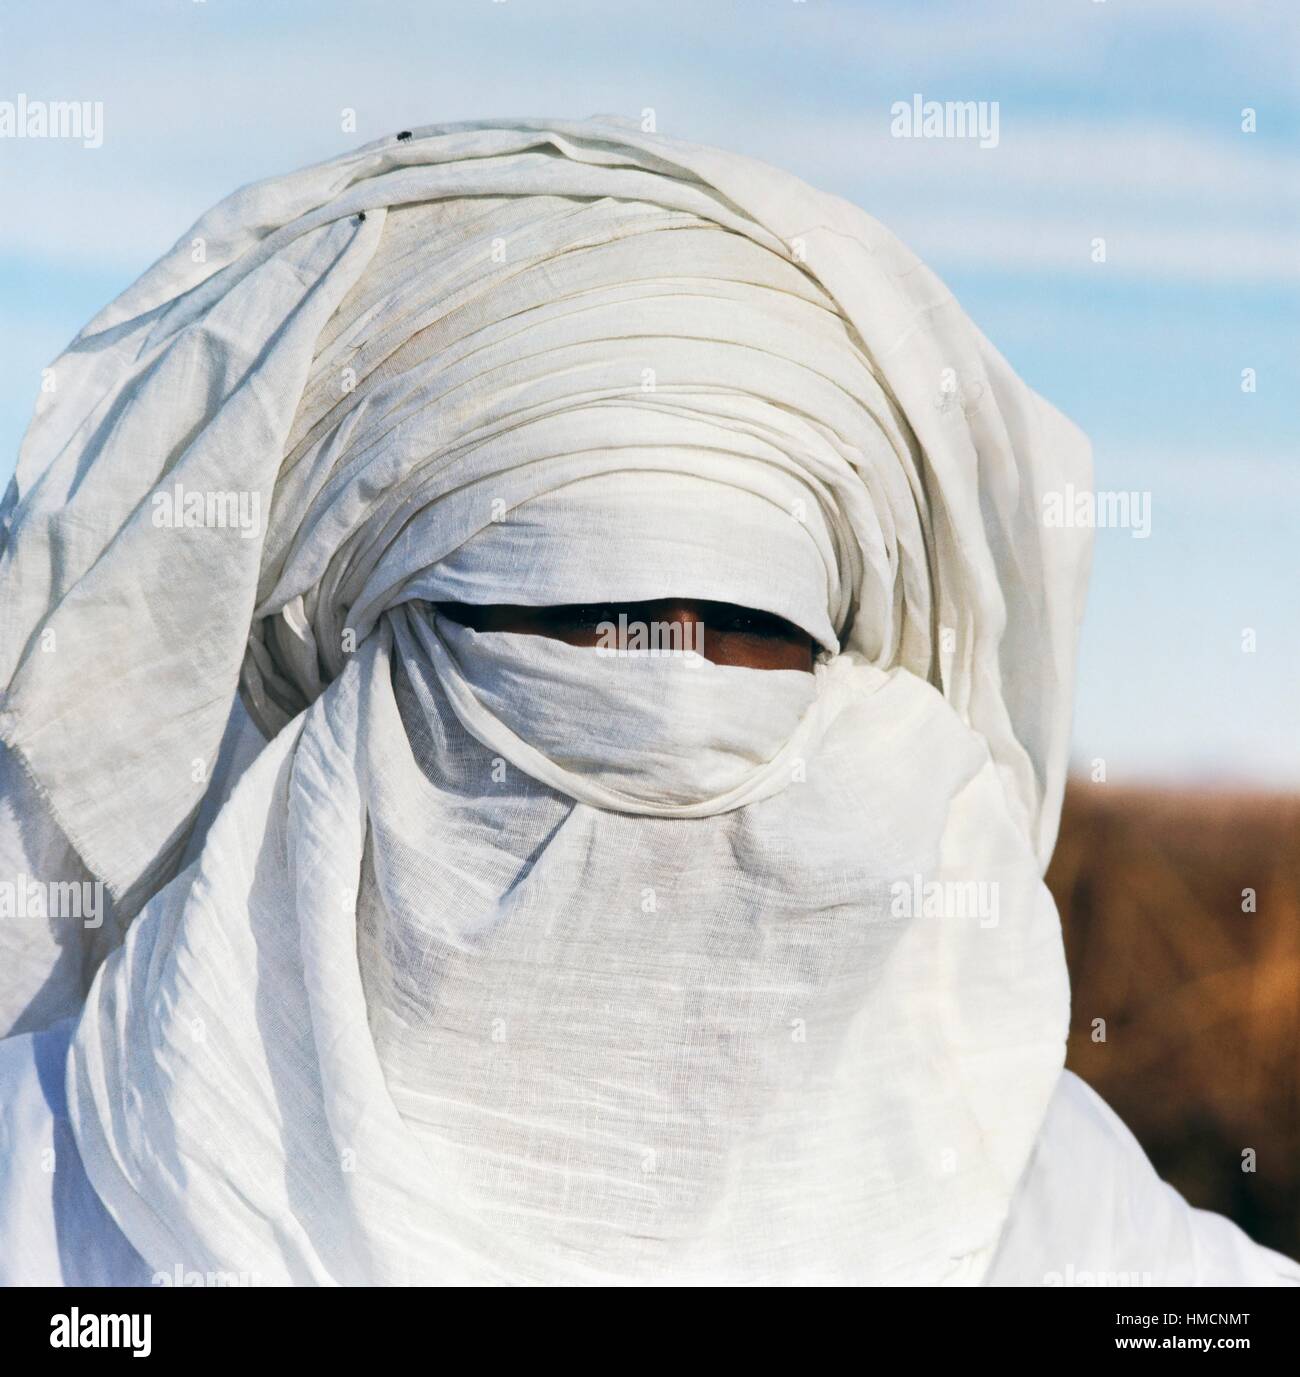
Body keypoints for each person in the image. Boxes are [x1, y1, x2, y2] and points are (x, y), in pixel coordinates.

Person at [0, 117, 1292, 1287]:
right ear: (361, 675)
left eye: (750, 643)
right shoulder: (72, 1158)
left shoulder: (1018, 1163)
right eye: (574, 636)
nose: (672, 709)